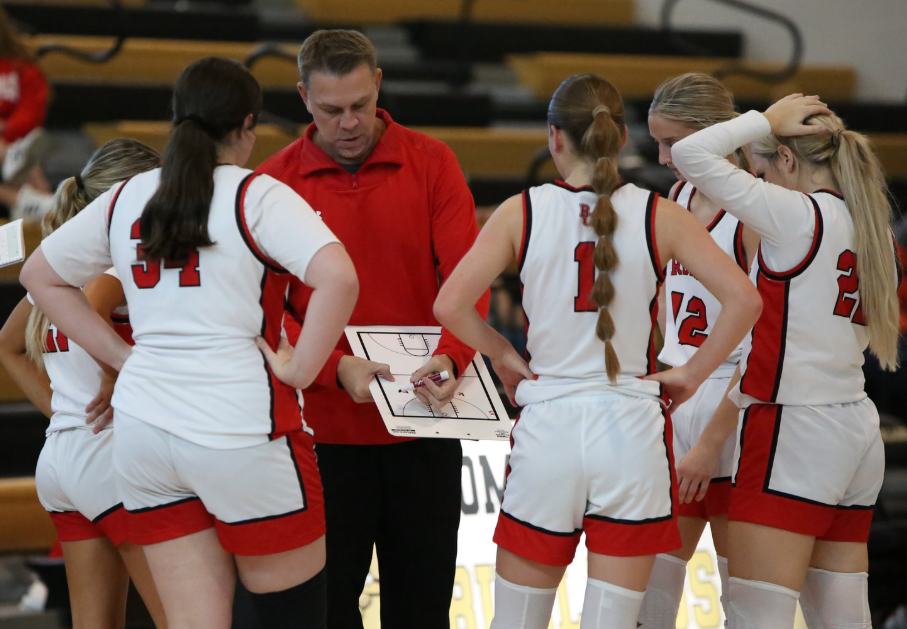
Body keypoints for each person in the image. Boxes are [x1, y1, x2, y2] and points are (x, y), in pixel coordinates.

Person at [20, 57, 358, 629]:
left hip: (145, 434)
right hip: (240, 428)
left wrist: (125, 358)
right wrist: (300, 370)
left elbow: (39, 276)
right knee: (293, 616)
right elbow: (340, 277)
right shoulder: (256, 193)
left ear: (177, 120)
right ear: (246, 126)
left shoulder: (128, 196)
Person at [433, 72, 761, 629]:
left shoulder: (521, 210)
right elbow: (746, 302)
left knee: (516, 621)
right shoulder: (664, 212)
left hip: (550, 425)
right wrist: (690, 373)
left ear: (554, 137)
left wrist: (502, 356)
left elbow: (451, 306)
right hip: (631, 432)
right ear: (621, 136)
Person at [257, 29, 489, 628]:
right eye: (332, 109)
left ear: (379, 83)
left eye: (360, 104)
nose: (350, 122)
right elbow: (260, 307)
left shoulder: (432, 162)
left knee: (422, 611)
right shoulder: (272, 183)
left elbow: (468, 280)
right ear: (304, 97)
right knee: (330, 612)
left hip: (424, 424)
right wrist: (333, 366)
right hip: (321, 435)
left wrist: (454, 355)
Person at [671, 94, 900, 629]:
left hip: (793, 427)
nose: (758, 183)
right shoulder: (874, 226)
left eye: (759, 170)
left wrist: (763, 120)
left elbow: (690, 154)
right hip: (855, 429)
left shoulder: (797, 215)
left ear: (787, 160)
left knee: (755, 617)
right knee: (842, 618)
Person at [0, 139, 166, 629]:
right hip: (113, 460)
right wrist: (116, 373)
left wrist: (62, 412)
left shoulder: (54, 271)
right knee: (183, 617)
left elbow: (7, 346)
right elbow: (93, 309)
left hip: (62, 460)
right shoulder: (119, 263)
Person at [639, 73, 760, 627]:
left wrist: (713, 441)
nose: (664, 157)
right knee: (652, 586)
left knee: (746, 597)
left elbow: (767, 345)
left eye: (673, 143)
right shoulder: (680, 196)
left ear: (712, 136)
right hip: (677, 394)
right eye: (658, 143)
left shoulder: (759, 211)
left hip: (735, 409)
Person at [0, 6, 52, 219]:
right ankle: (29, 201)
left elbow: (31, 112)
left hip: (11, 141)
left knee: (26, 160)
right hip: (8, 148)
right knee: (26, 164)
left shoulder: (21, 67)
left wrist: (6, 130)